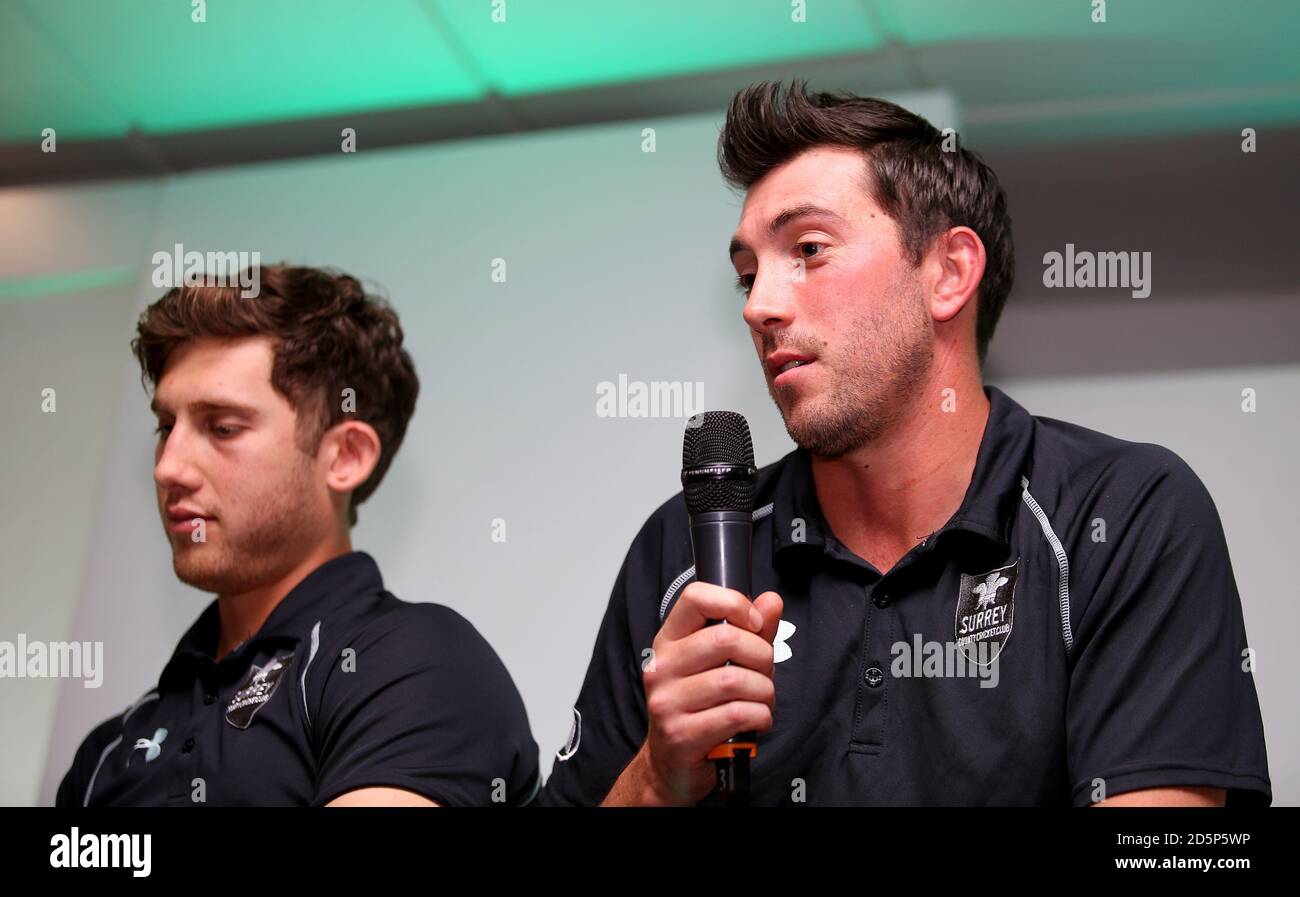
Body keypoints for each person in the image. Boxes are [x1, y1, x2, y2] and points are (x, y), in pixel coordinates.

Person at [539, 81, 1270, 806]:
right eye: (747, 276)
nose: (761, 305)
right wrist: (654, 783)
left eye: (810, 249)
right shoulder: (685, 549)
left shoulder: (1122, 514)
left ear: (949, 273)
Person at [56, 265, 538, 807]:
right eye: (166, 427)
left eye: (222, 427)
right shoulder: (106, 752)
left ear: (346, 457)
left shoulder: (417, 666)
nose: (169, 467)